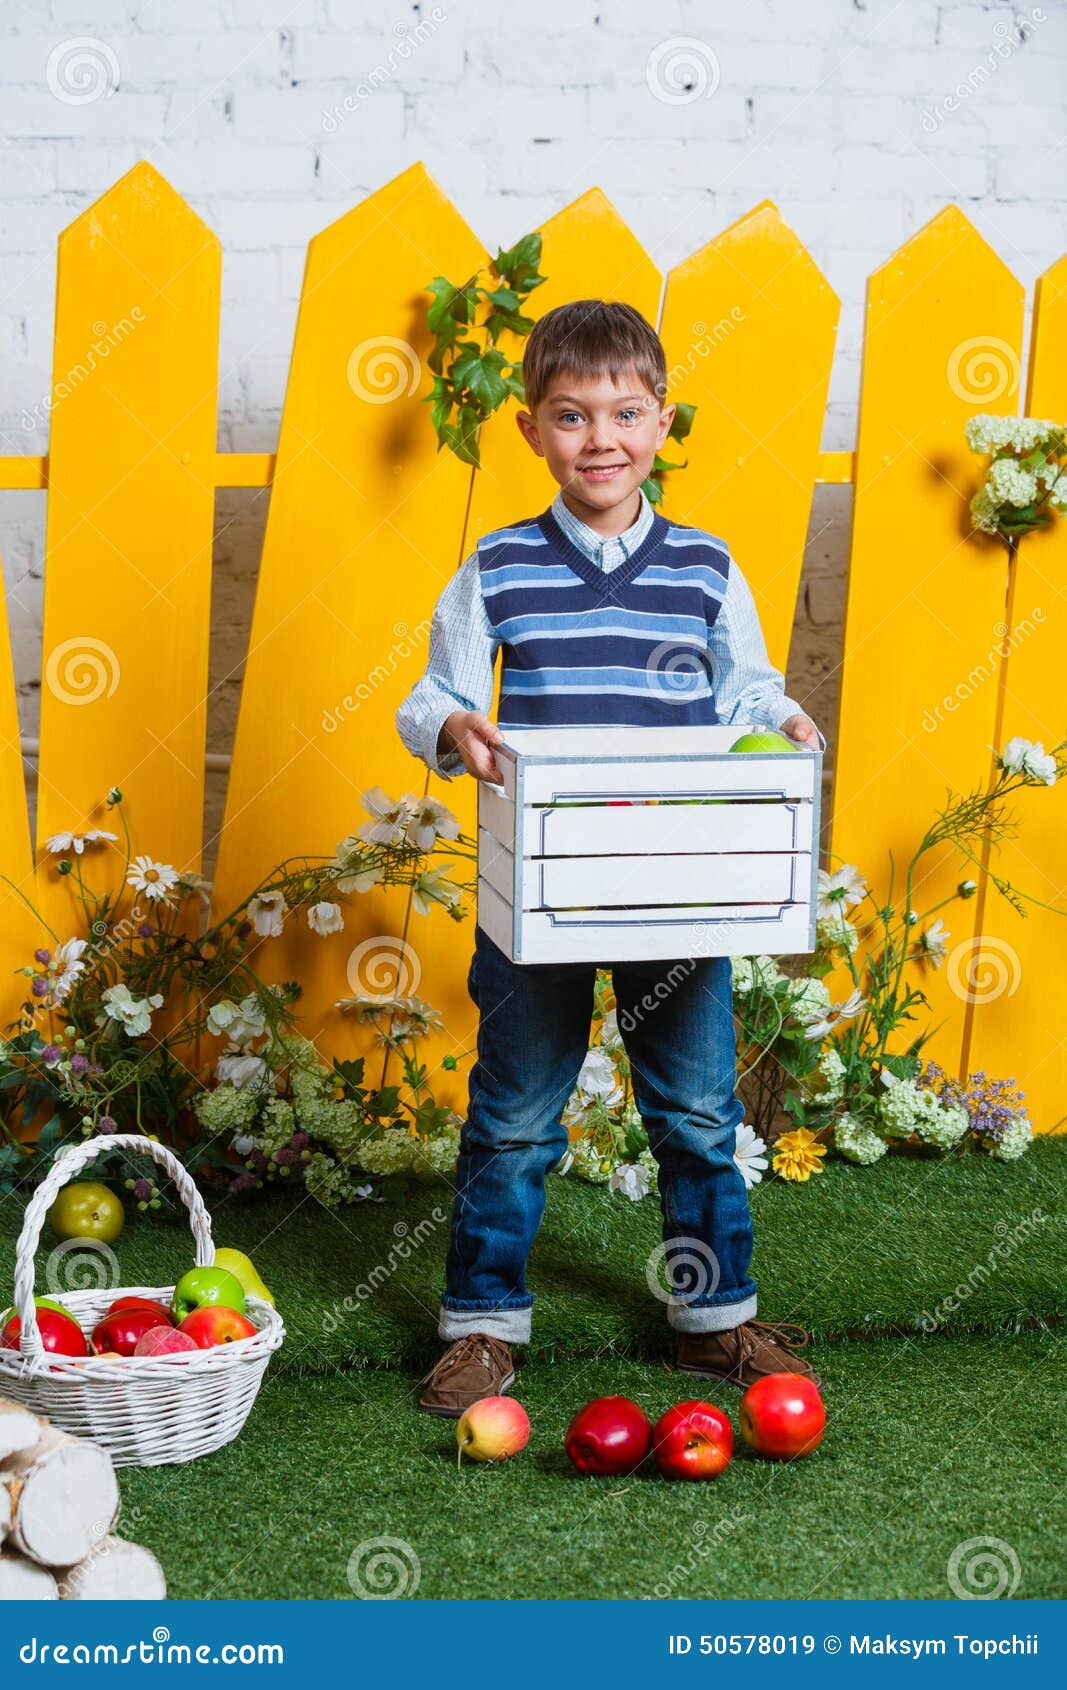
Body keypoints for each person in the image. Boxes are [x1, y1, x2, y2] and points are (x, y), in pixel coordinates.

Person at [396, 299, 825, 1417]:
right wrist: (453, 730)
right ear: (532, 428)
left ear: (661, 420)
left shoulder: (701, 566)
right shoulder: (496, 567)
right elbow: (434, 693)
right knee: (515, 1117)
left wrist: (779, 721)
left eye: (625, 413)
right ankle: (482, 1326)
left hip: (675, 893)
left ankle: (711, 1319)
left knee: (691, 1116)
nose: (601, 439)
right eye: (572, 415)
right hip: (544, 890)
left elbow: (745, 689)